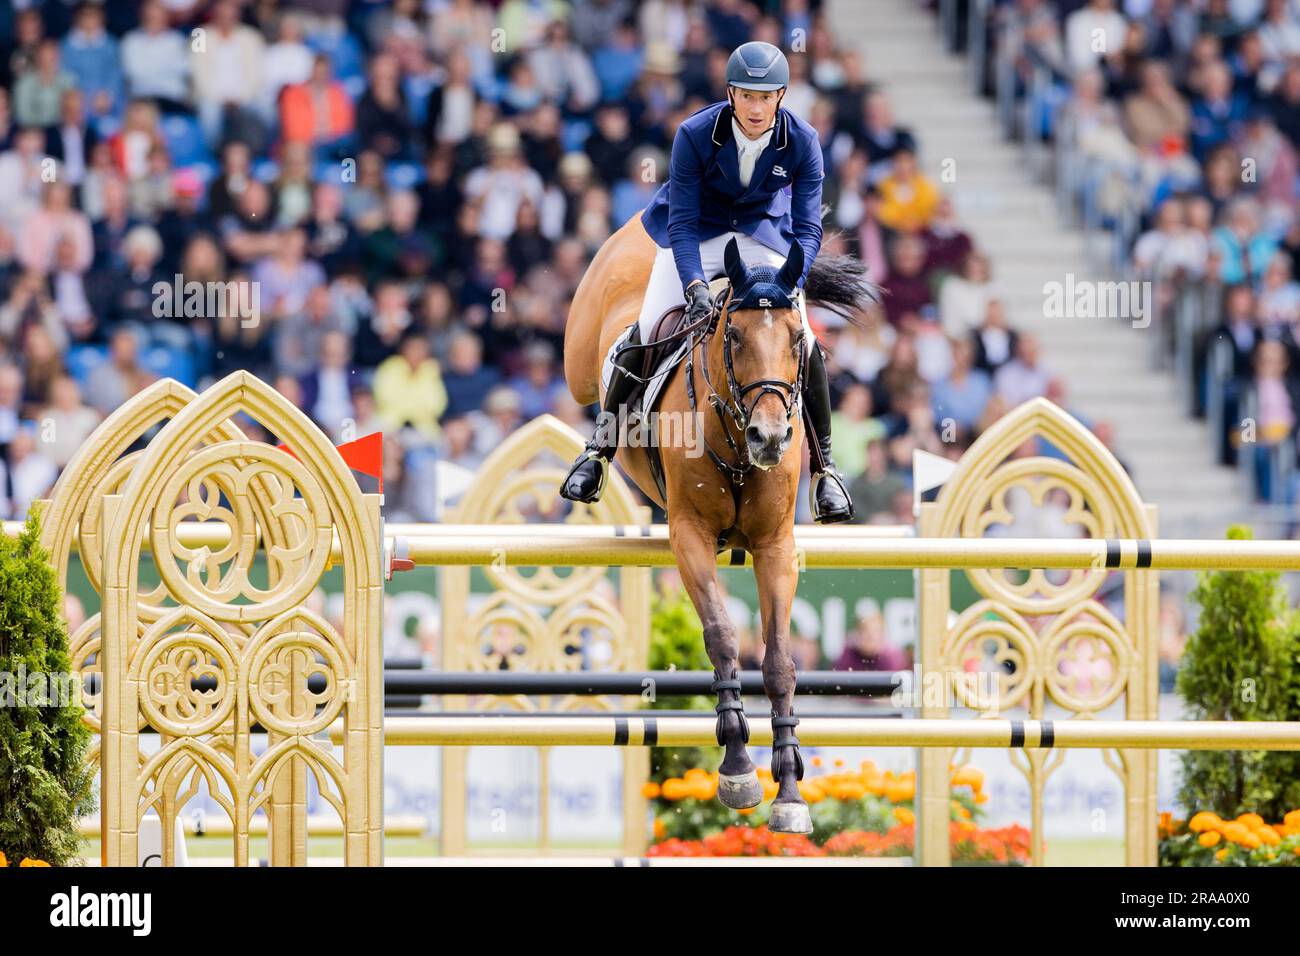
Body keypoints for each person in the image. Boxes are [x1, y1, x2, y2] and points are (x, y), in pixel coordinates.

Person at [559, 41, 854, 522]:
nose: (756, 108)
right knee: (648, 330)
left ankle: (824, 470)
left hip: (762, 238)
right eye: (746, 96)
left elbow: (808, 229)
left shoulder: (802, 140)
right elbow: (681, 223)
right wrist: (695, 285)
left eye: (766, 97)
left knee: (806, 344)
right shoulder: (695, 134)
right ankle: (599, 451)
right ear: (731, 94)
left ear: (781, 96)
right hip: (695, 235)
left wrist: (790, 285)